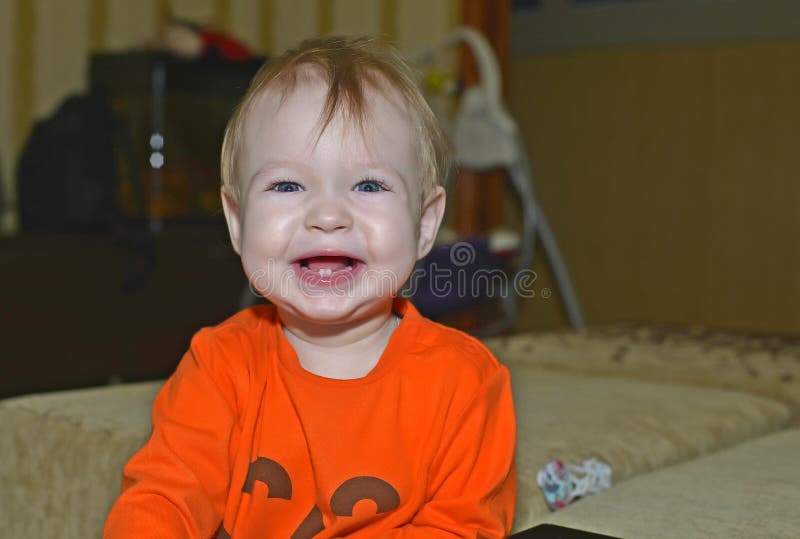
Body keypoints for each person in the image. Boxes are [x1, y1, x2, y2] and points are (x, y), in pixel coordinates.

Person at [103, 35, 516, 538]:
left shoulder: (466, 385)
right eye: (287, 186)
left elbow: (459, 528)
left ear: (424, 224)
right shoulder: (219, 367)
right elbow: (162, 500)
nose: (326, 216)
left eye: (368, 186)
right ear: (236, 220)